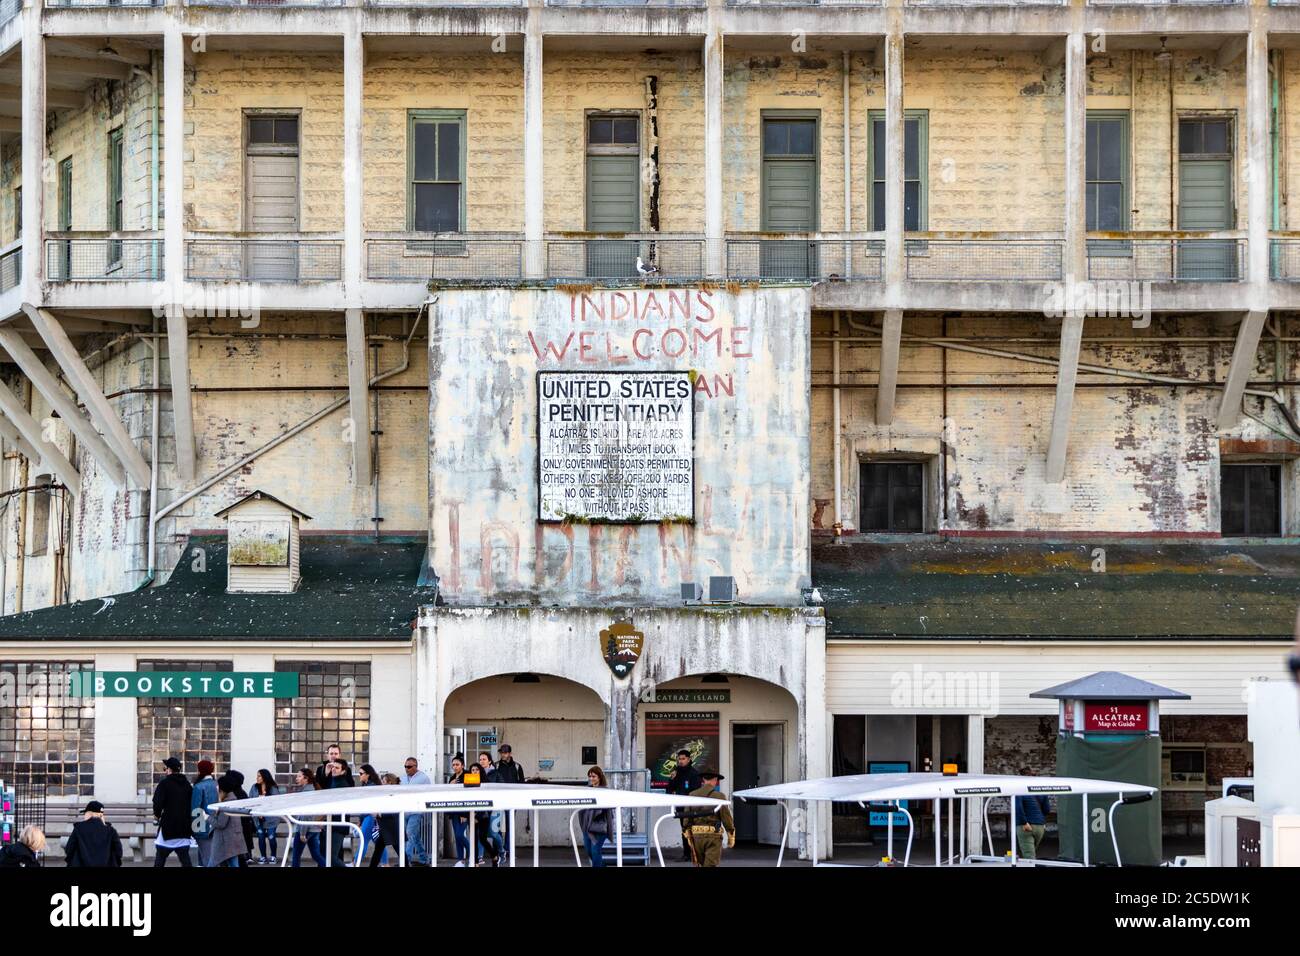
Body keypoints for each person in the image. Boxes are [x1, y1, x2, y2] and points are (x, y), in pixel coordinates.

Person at [679, 769, 734, 868]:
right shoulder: (719, 796)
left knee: (699, 864)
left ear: (703, 780)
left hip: (696, 837)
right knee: (710, 865)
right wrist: (731, 835)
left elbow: (686, 817)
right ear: (715, 780)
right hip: (713, 837)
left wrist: (687, 832)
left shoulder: (692, 795)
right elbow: (726, 818)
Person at [152, 756, 195, 867]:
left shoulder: (164, 784)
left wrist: (156, 816)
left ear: (169, 769)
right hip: (184, 828)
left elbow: (157, 804)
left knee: (160, 858)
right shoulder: (187, 785)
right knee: (185, 860)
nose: (165, 771)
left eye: (165, 768)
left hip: (168, 828)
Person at [317, 747, 355, 867]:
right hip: (327, 819)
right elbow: (319, 790)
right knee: (323, 853)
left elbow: (350, 789)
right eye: (331, 753)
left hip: (337, 821)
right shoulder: (322, 769)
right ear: (327, 755)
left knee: (333, 856)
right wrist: (326, 773)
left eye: (336, 753)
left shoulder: (344, 774)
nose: (333, 756)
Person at [64, 801, 124, 868]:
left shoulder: (78, 829)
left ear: (90, 814)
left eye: (85, 813)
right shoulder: (111, 831)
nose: (84, 816)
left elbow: (69, 850)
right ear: (101, 816)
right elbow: (119, 853)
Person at [667, 750, 702, 861]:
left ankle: (696, 854)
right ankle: (686, 854)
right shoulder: (676, 773)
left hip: (692, 807)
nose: (680, 761)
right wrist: (672, 779)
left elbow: (696, 791)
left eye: (683, 759)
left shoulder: (694, 773)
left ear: (689, 759)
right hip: (681, 807)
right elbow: (670, 789)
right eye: (679, 759)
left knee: (693, 830)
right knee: (684, 830)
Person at [289, 767, 327, 868]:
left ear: (306, 778)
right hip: (314, 829)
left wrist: (302, 833)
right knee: (316, 855)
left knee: (296, 856)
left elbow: (305, 814)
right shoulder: (313, 790)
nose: (296, 778)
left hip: (305, 828)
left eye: (299, 776)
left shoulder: (307, 793)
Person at [208, 776, 249, 867]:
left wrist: (207, 817)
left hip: (226, 841)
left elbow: (220, 824)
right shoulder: (233, 800)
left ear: (222, 788)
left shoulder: (226, 804)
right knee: (233, 863)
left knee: (213, 862)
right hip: (232, 839)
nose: (216, 787)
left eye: (218, 785)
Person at [578, 767, 614, 868]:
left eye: (593, 776)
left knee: (595, 851)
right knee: (589, 851)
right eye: (589, 776)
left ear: (599, 777)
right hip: (587, 826)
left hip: (600, 826)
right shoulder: (587, 790)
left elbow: (609, 808)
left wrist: (597, 811)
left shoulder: (605, 791)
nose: (591, 778)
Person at [401, 756, 432, 866]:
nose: (406, 769)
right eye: (405, 766)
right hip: (404, 811)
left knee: (409, 834)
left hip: (416, 811)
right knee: (415, 836)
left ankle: (405, 860)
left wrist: (423, 808)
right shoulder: (403, 778)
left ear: (415, 766)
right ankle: (424, 858)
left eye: (409, 767)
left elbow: (429, 794)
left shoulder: (424, 778)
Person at [1015, 773, 1051, 861]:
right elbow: (1047, 810)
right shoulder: (1042, 791)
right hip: (1040, 827)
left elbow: (1018, 808)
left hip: (1026, 826)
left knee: (1029, 856)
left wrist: (1024, 822)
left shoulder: (1019, 791)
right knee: (1031, 852)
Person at [191, 759, 219, 867]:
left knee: (205, 859)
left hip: (202, 827)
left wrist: (194, 830)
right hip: (216, 825)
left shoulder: (198, 787)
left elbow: (195, 809)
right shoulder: (217, 785)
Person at [250, 768, 280, 864]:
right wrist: (257, 813)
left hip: (271, 818)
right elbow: (250, 801)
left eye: (259, 776)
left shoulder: (273, 788)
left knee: (271, 837)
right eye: (257, 776)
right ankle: (263, 856)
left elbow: (276, 803)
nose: (257, 778)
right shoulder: (254, 787)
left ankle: (273, 856)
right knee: (261, 836)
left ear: (264, 777)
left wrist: (265, 812)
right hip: (258, 818)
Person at [446, 755, 471, 866]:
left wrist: (464, 813)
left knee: (460, 835)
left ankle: (472, 854)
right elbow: (449, 794)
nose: (455, 767)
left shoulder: (467, 775)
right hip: (454, 810)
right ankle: (460, 860)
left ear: (462, 765)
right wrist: (449, 786)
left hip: (464, 811)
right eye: (453, 765)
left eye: (457, 765)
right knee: (457, 836)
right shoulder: (452, 778)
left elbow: (468, 795)